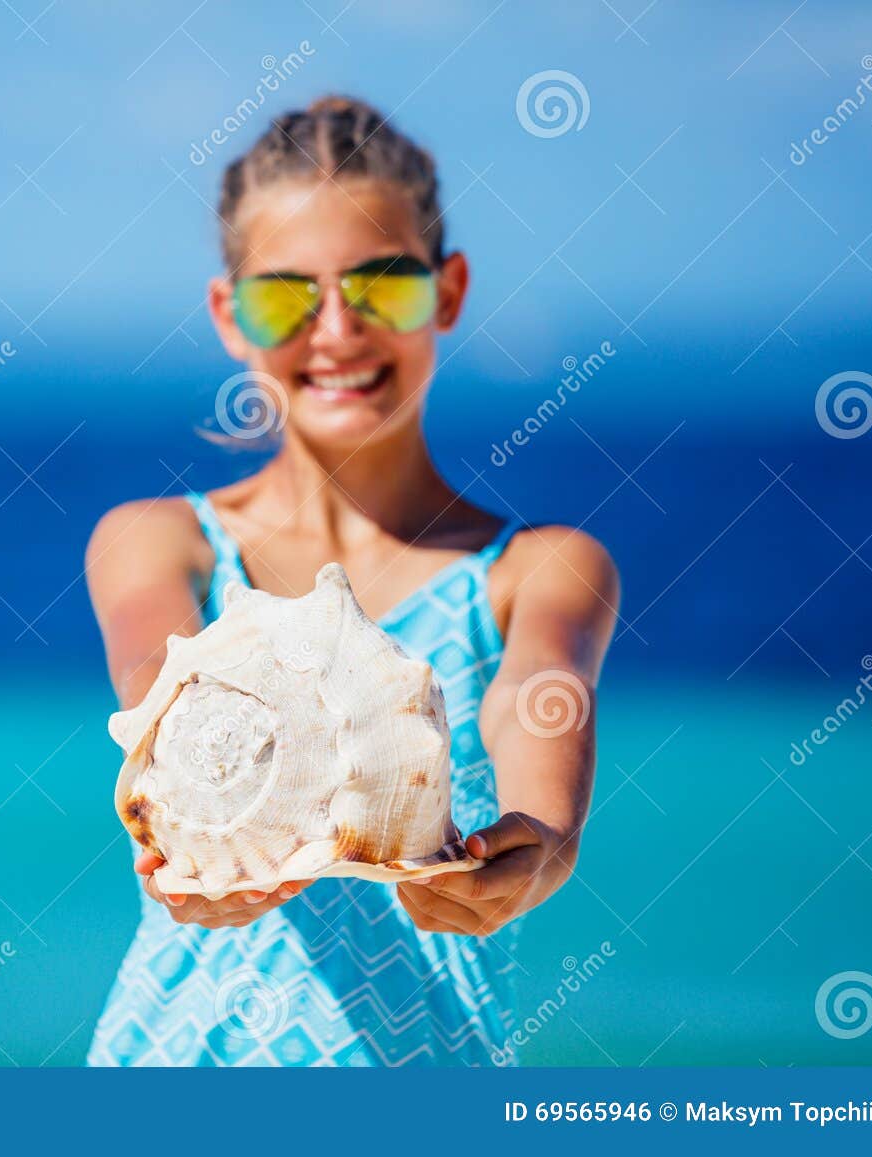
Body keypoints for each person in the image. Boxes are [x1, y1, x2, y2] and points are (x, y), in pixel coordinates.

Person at [84, 96, 619, 1066]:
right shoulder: (161, 543)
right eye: (285, 296)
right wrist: (176, 828)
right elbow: (158, 696)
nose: (336, 330)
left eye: (382, 287)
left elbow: (540, 694)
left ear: (447, 291)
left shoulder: (535, 566)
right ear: (229, 315)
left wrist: (538, 839)